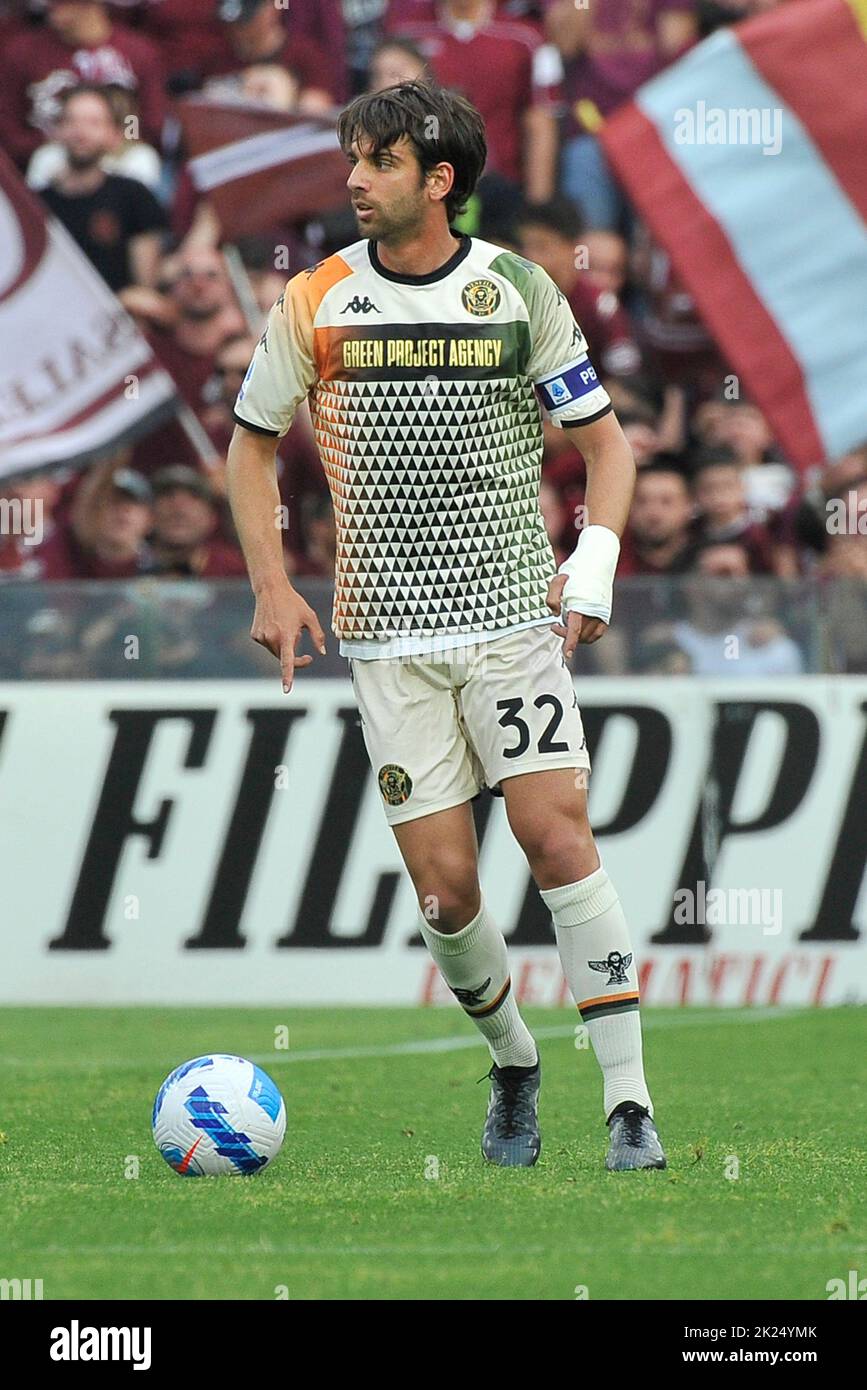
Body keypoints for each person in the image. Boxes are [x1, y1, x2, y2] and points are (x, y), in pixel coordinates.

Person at [226, 79, 666, 1172]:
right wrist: (272, 587)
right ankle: (515, 1062)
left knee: (557, 833)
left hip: (514, 618)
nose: (353, 180)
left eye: (375, 162)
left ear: (439, 181)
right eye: (352, 159)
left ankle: (629, 1105)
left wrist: (594, 562)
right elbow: (249, 442)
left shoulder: (517, 290)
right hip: (386, 635)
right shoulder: (317, 299)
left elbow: (607, 446)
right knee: (446, 890)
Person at [0, 0, 167, 168]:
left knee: (143, 159)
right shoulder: (22, 53)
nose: (55, 8)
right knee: (47, 159)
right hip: (50, 158)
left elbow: (150, 123)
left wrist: (121, 138)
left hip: (118, 158)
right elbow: (9, 129)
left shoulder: (138, 52)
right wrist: (54, 140)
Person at [37, 86, 167, 292]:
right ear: (56, 130)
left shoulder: (134, 196)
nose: (81, 132)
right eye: (71, 121)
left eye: (94, 123)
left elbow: (146, 288)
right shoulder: (36, 204)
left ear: (114, 134)